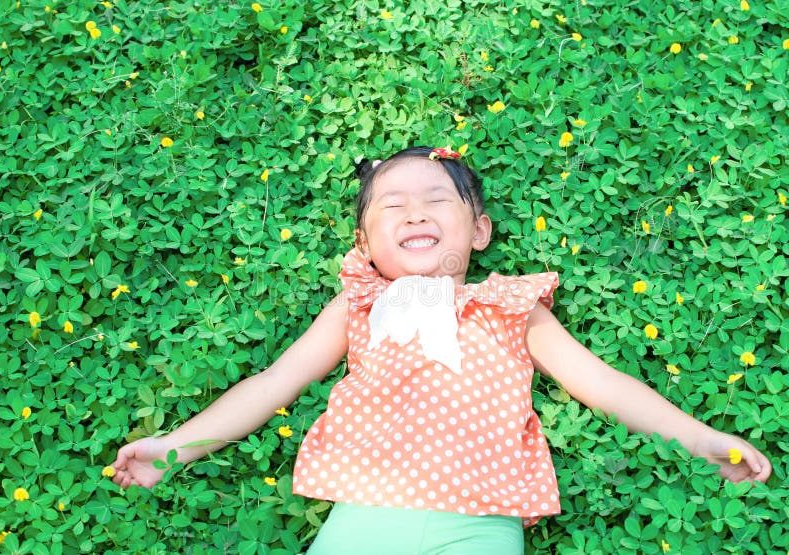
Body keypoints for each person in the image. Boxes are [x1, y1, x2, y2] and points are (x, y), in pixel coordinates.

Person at [112, 145, 771, 554]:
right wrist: (176, 446)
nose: (415, 213)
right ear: (367, 246)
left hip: (482, 520)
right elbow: (272, 383)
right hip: (368, 511)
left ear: (478, 230)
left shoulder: (513, 306)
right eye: (392, 205)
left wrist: (701, 438)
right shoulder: (359, 304)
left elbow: (603, 382)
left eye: (436, 200)